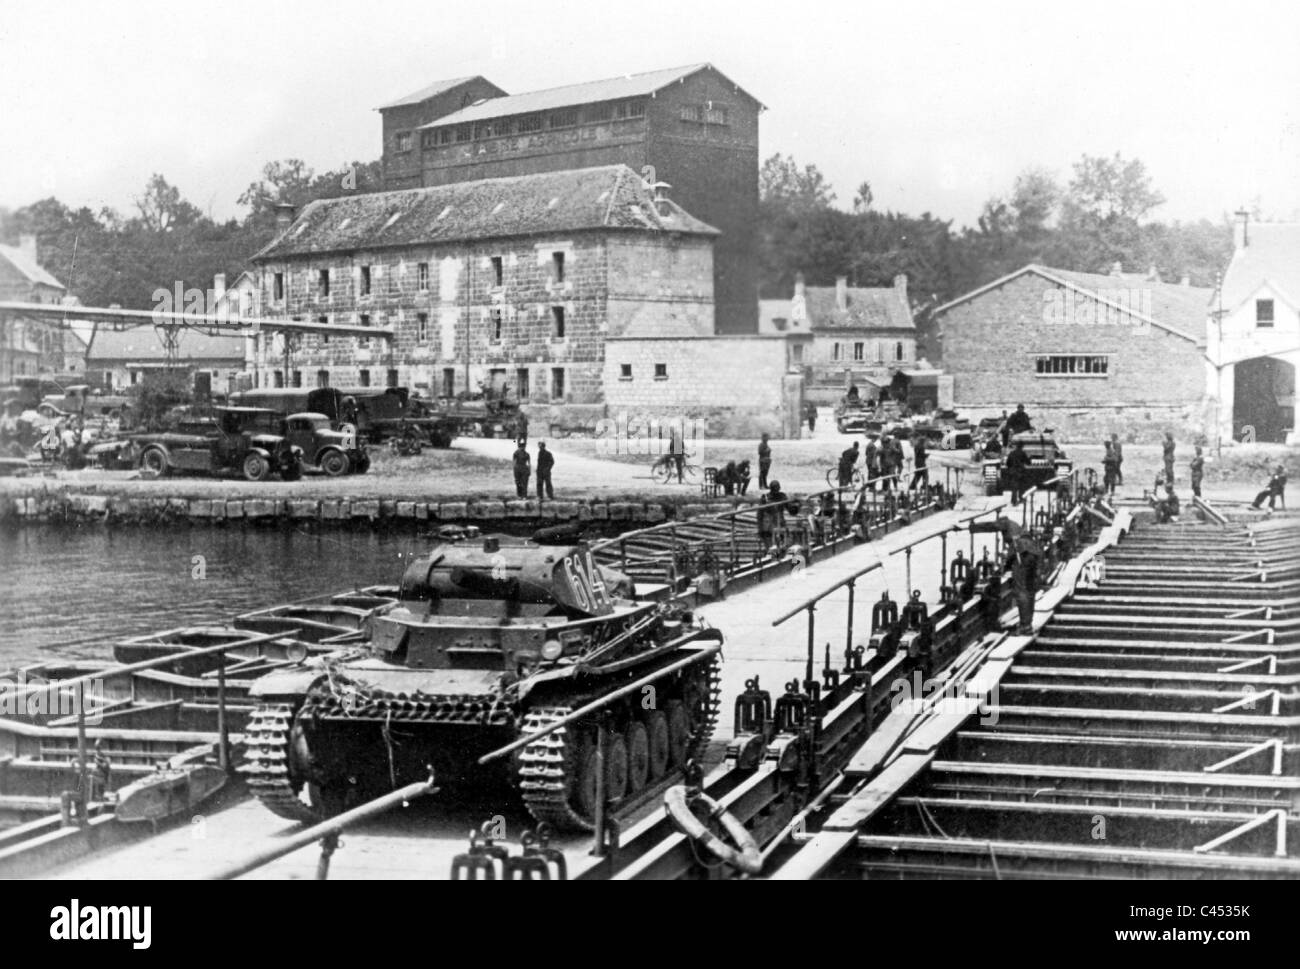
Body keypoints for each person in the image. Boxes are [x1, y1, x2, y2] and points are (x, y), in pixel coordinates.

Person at [757, 480, 790, 551]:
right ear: (771, 489)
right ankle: (770, 553)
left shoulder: (782, 496)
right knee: (770, 546)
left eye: (777, 488)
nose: (776, 491)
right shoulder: (765, 498)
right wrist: (760, 528)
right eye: (774, 489)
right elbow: (759, 514)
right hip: (768, 525)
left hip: (780, 523)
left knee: (782, 542)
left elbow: (790, 508)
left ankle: (781, 552)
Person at [1005, 440, 1032, 504]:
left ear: (1016, 446)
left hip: (1013, 472)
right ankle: (1021, 498)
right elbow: (1028, 463)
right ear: (1022, 446)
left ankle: (1013, 500)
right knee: (1021, 486)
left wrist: (1011, 469)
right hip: (1021, 472)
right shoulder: (1023, 453)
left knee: (1014, 487)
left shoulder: (1011, 453)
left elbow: (1007, 463)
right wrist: (1030, 458)